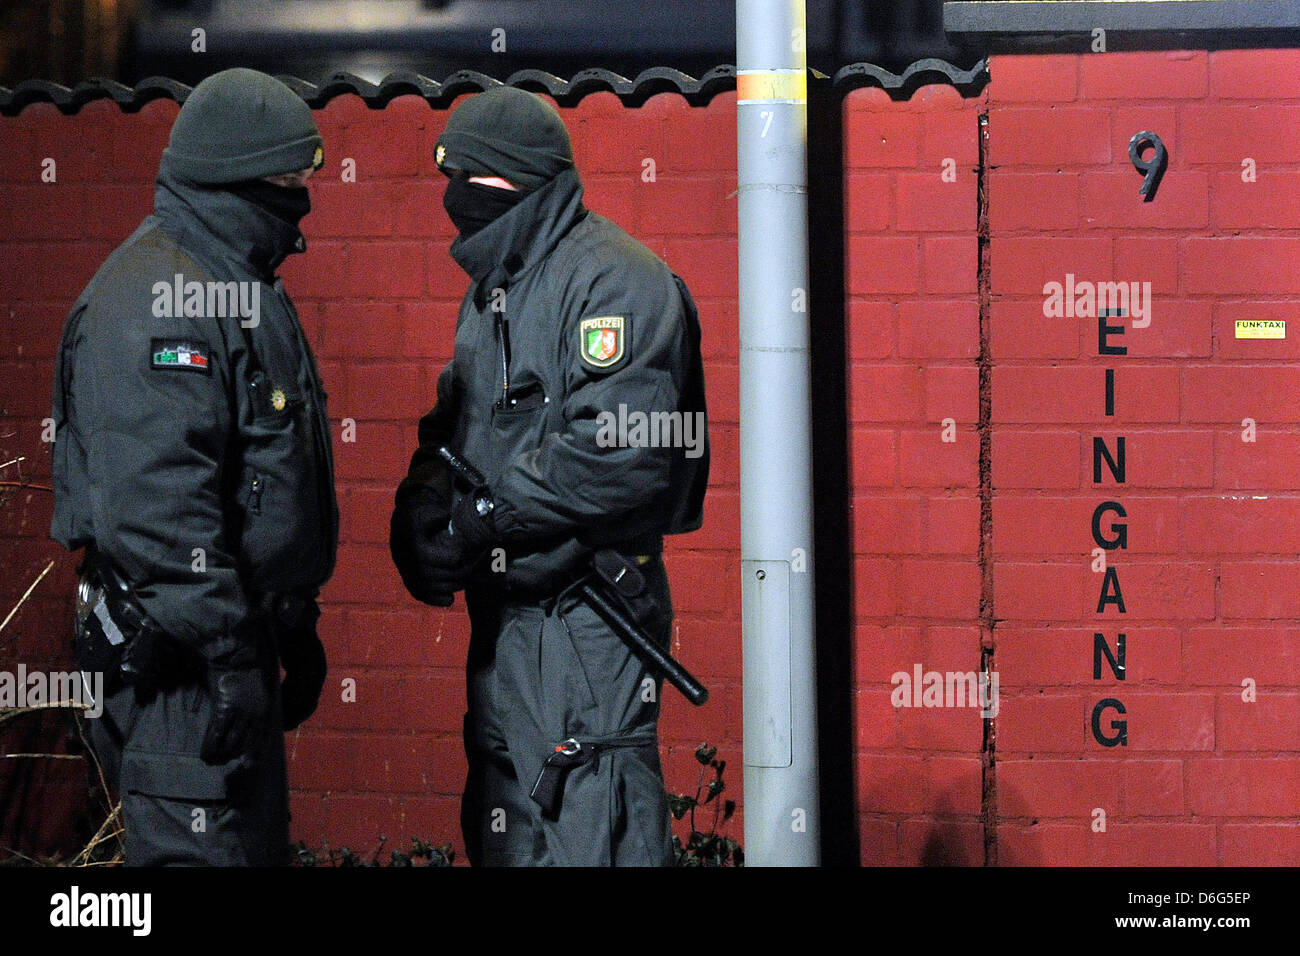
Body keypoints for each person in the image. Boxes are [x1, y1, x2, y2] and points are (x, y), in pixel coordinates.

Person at [390, 86, 710, 867]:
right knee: (507, 833)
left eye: (475, 179)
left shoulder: (615, 282)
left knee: (591, 827)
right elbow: (454, 423)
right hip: (506, 619)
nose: (455, 201)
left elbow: (617, 454)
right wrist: (422, 511)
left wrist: (481, 518)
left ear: (525, 181)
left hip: (587, 620)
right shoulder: (497, 286)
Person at [50, 68, 336, 866]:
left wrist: (292, 625)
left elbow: (259, 481)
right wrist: (233, 657)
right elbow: (159, 518)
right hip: (184, 677)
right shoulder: (152, 300)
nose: (301, 204)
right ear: (232, 179)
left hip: (230, 653)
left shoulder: (236, 288)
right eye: (286, 183)